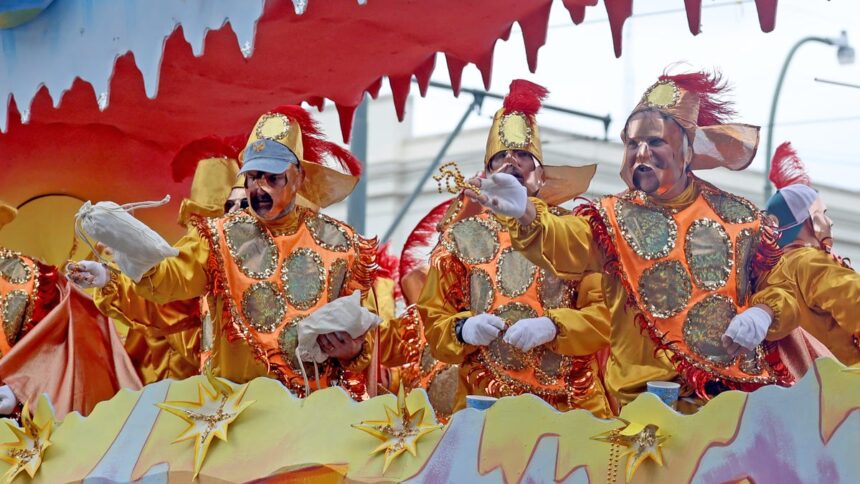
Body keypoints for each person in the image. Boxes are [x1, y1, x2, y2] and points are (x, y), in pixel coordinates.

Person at [467, 70, 801, 407]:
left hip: (731, 403)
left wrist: (763, 313)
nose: (641, 153)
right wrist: (526, 213)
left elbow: (781, 287)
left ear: (687, 150)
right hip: (645, 410)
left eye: (655, 142)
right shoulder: (610, 219)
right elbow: (567, 243)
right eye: (633, 143)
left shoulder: (739, 218)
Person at [68, 106, 381, 399]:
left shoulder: (342, 246)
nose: (260, 189)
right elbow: (170, 280)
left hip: (310, 418)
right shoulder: (219, 236)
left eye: (273, 178)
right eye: (254, 177)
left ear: (299, 178)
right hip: (232, 417)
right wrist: (133, 251)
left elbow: (366, 342)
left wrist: (352, 350)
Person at [418, 80, 612, 416]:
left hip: (571, 408)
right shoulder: (459, 238)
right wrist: (464, 329)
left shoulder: (576, 229)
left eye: (523, 156)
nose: (512, 163)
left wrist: (555, 326)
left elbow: (605, 316)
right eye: (500, 159)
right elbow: (434, 322)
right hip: (485, 404)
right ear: (487, 172)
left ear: (541, 175)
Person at [92, 135, 245, 383]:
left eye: (218, 219)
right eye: (200, 222)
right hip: (178, 394)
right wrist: (113, 275)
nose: (208, 231)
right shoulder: (185, 262)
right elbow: (155, 304)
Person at [761, 142, 859, 365]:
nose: (829, 221)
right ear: (808, 221)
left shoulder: (770, 272)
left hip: (802, 388)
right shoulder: (810, 262)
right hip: (843, 388)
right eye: (822, 213)